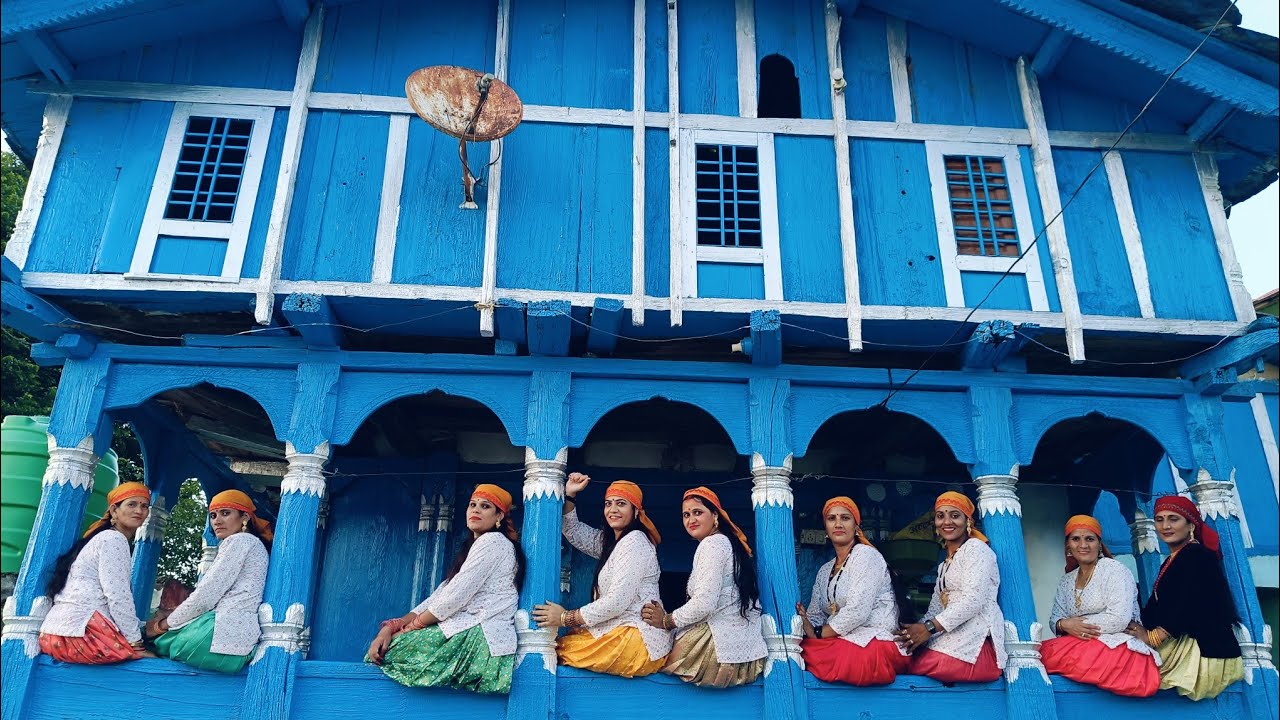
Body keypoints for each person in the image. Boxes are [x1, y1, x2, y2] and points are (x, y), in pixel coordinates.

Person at [365, 484, 523, 694]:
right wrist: (391, 627)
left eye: (485, 506)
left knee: (389, 652)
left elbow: (453, 599)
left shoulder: (494, 542)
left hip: (482, 636)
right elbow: (438, 598)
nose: (475, 510)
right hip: (468, 632)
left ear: (499, 517)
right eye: (472, 505)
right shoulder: (473, 549)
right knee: (383, 646)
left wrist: (412, 628)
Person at [532, 474, 670, 677]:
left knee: (558, 651)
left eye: (621, 504)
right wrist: (570, 494)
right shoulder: (613, 543)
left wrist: (564, 617)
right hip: (621, 632)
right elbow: (574, 531)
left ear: (636, 512)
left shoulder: (635, 541)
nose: (613, 509)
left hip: (638, 638)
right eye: (608, 504)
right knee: (558, 649)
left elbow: (617, 601)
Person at [639, 486, 766, 688]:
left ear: (715, 515)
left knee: (649, 655)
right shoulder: (726, 543)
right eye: (686, 515)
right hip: (744, 654)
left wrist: (665, 620)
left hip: (716, 653)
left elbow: (704, 604)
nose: (691, 520)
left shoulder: (712, 544)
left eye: (698, 512)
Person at [1126, 495, 1243, 701]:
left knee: (1130, 671)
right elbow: (1155, 608)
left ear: (1190, 524)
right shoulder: (1173, 560)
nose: (1165, 526)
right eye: (1160, 519)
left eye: (1173, 519)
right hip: (1181, 640)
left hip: (1203, 649)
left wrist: (1153, 637)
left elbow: (1189, 603)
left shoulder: (1198, 555)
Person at [146, 489, 271, 673]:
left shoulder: (239, 541)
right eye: (213, 515)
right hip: (242, 642)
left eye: (225, 513)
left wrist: (162, 625)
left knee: (150, 642)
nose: (217, 521)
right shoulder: (254, 544)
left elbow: (205, 596)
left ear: (244, 517)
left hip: (218, 635)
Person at [1040, 515, 1159, 697]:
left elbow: (1118, 619)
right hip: (1083, 644)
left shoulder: (1114, 570)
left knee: (1049, 655)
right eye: (1076, 539)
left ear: (1099, 543)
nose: (1083, 545)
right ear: (1068, 546)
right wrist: (1065, 625)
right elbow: (1055, 619)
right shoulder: (1067, 580)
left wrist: (1077, 626)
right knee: (1038, 654)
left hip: (1119, 646)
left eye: (1089, 539)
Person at [797, 496, 910, 686]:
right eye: (832, 519)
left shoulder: (866, 555)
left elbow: (858, 611)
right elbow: (817, 613)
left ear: (856, 526)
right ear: (825, 527)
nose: (838, 524)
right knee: (796, 651)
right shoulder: (825, 570)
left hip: (873, 638)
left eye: (845, 518)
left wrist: (819, 633)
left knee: (849, 657)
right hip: (840, 638)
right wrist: (806, 621)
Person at [895, 491, 1005, 683]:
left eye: (955, 515)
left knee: (917, 666)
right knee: (903, 655)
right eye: (940, 516)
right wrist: (914, 630)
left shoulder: (976, 549)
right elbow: (937, 607)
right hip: (950, 634)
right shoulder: (945, 564)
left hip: (975, 640)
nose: (947, 522)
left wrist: (928, 628)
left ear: (968, 521)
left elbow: (973, 601)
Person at [40, 482, 152, 664]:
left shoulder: (103, 538)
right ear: (114, 511)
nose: (139, 510)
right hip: (82, 635)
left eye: (144, 506)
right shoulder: (113, 539)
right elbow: (117, 595)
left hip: (55, 636)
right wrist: (136, 644)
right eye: (131, 504)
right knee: (152, 660)